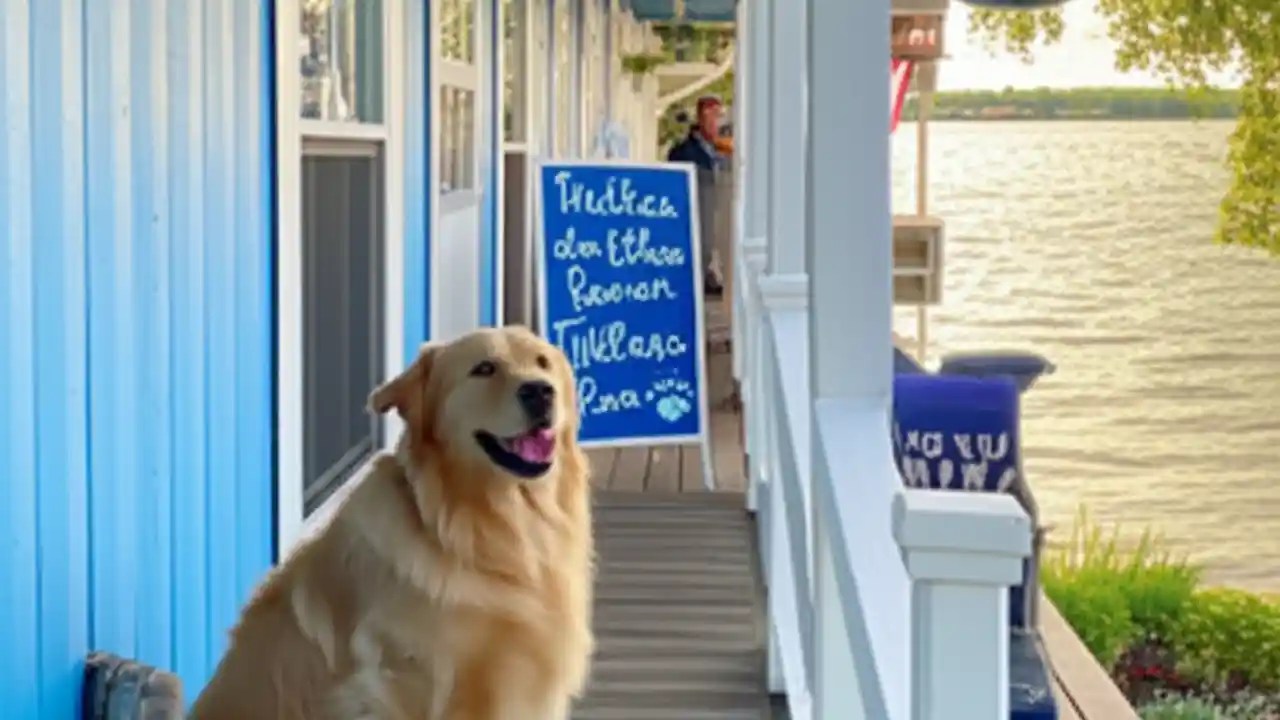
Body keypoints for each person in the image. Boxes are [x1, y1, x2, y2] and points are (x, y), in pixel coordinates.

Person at [667, 96, 728, 295]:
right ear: (701, 118)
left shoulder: (726, 151)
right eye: (712, 116)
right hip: (695, 220)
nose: (717, 123)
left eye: (719, 117)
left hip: (720, 220)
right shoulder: (682, 152)